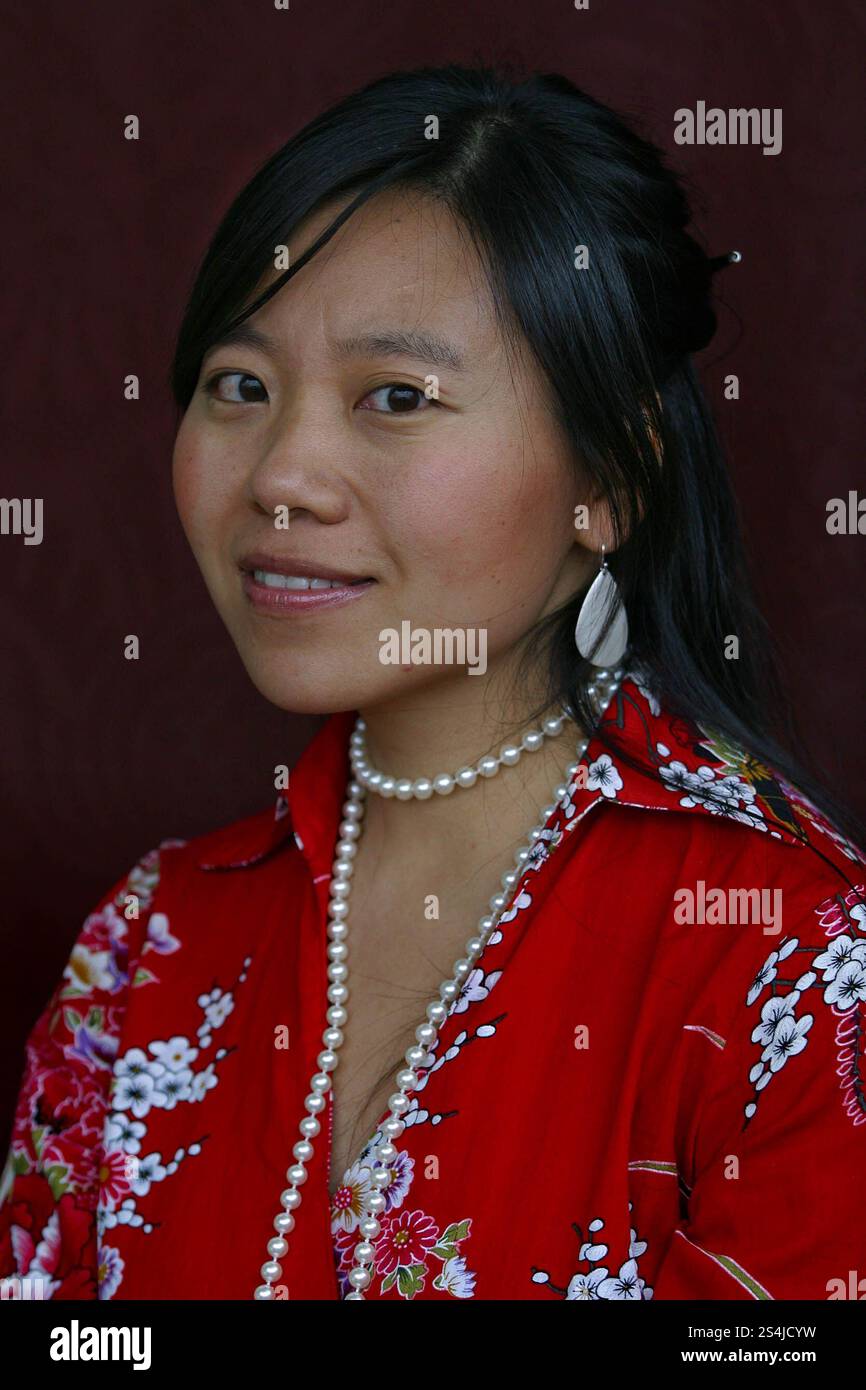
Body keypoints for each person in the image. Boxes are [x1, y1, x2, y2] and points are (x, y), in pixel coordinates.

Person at [2, 62, 864, 1303]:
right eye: (239, 385)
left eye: (396, 397)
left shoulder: (793, 966)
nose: (282, 476)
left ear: (610, 477)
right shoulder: (146, 945)